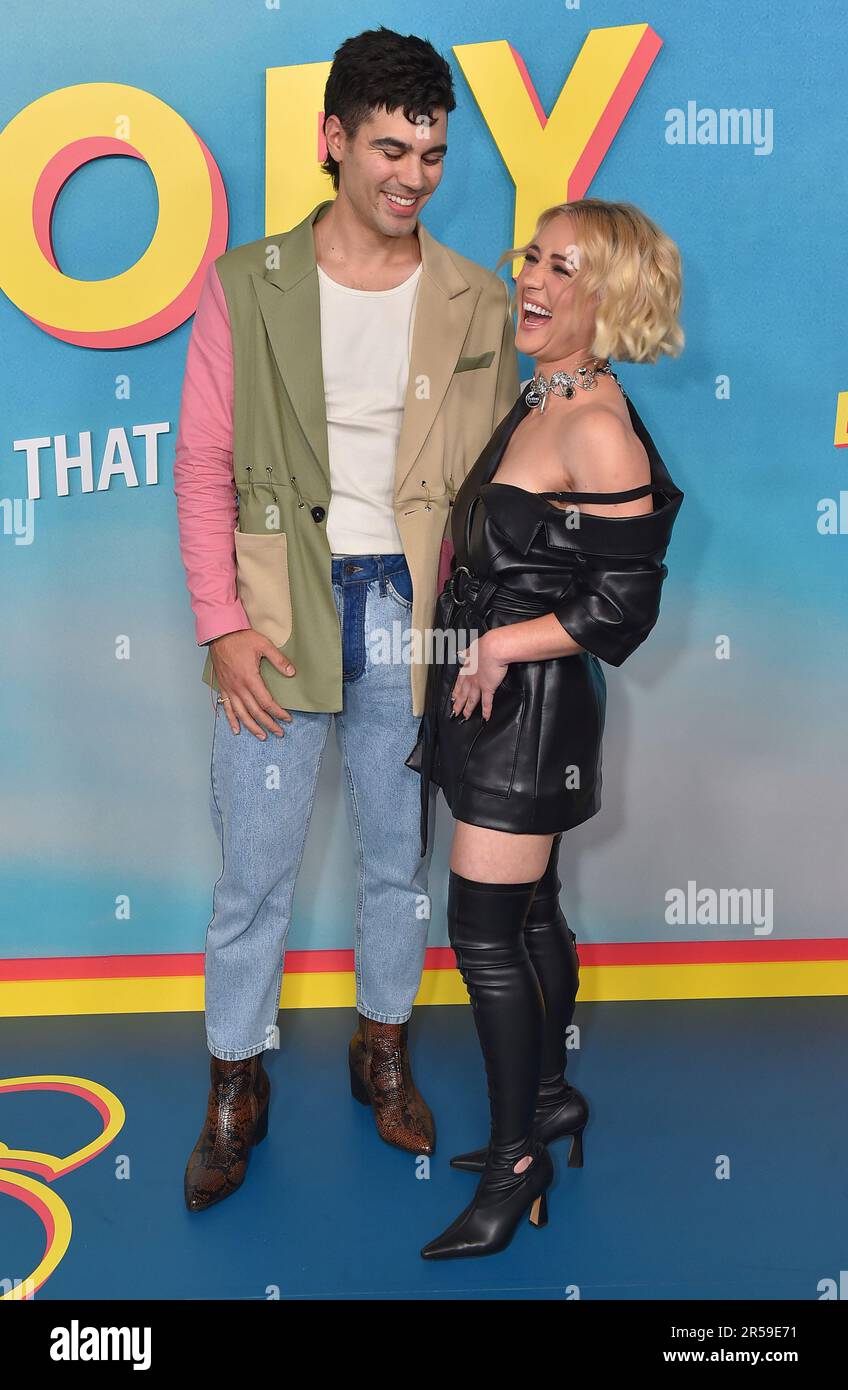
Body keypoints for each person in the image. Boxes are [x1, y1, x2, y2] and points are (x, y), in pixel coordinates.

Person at [173, 27, 519, 1212]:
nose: (412, 177)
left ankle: (383, 1048)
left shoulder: (475, 297)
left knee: (394, 858)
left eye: (431, 153)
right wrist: (221, 625)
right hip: (280, 614)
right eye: (388, 149)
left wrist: (480, 631)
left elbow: (494, 486)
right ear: (332, 139)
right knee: (253, 871)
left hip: (412, 614)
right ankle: (235, 1080)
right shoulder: (246, 282)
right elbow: (204, 465)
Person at [406, 198, 685, 1259]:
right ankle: (552, 1097)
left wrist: (498, 647)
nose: (531, 277)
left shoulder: (595, 425)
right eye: (533, 255)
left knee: (483, 934)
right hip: (501, 700)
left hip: (527, 716)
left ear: (609, 298)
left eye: (564, 268)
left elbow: (624, 607)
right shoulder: (545, 392)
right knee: (528, 917)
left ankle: (516, 1162)